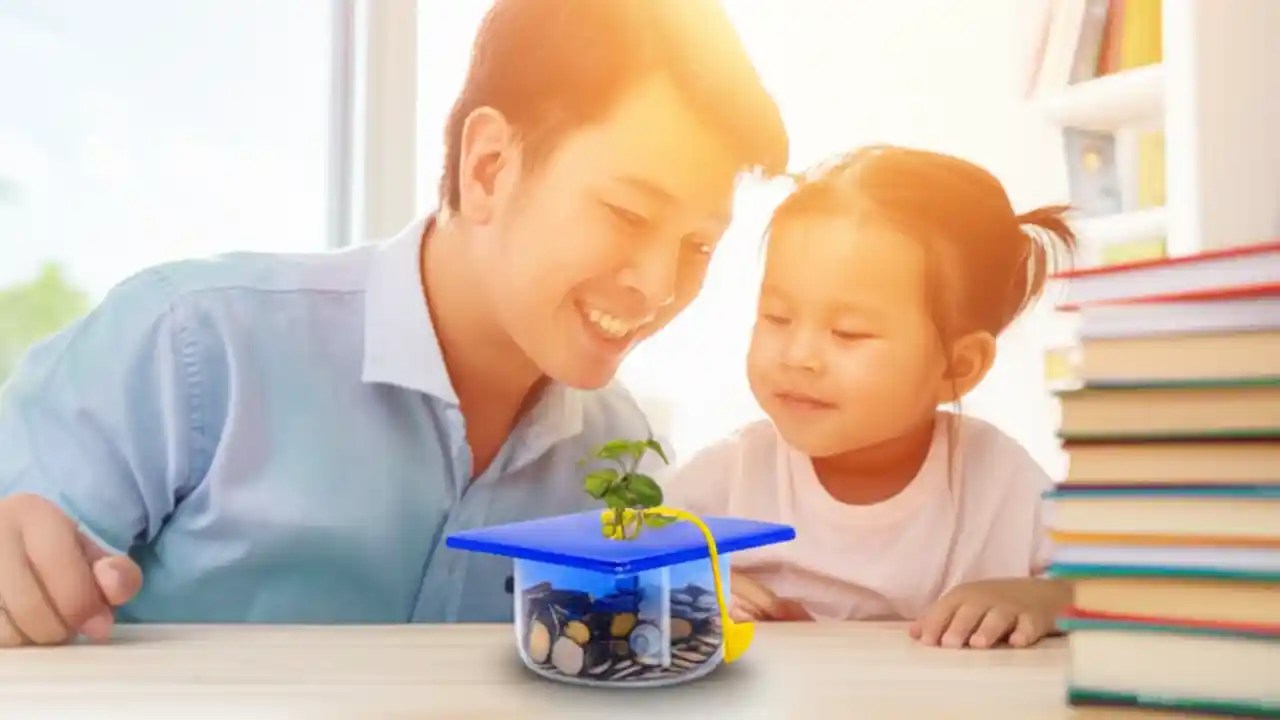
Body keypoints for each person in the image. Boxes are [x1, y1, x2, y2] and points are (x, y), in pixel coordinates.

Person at [0, 0, 787, 647]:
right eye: (627, 212)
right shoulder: (193, 347)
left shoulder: (620, 461)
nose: (660, 286)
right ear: (489, 167)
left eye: (699, 246)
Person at [661, 146, 1075, 649]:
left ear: (957, 367)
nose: (799, 355)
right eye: (777, 317)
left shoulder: (1000, 482)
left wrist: (1047, 600)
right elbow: (621, 567)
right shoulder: (731, 478)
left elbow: (1131, 589)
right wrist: (692, 585)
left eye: (848, 332)